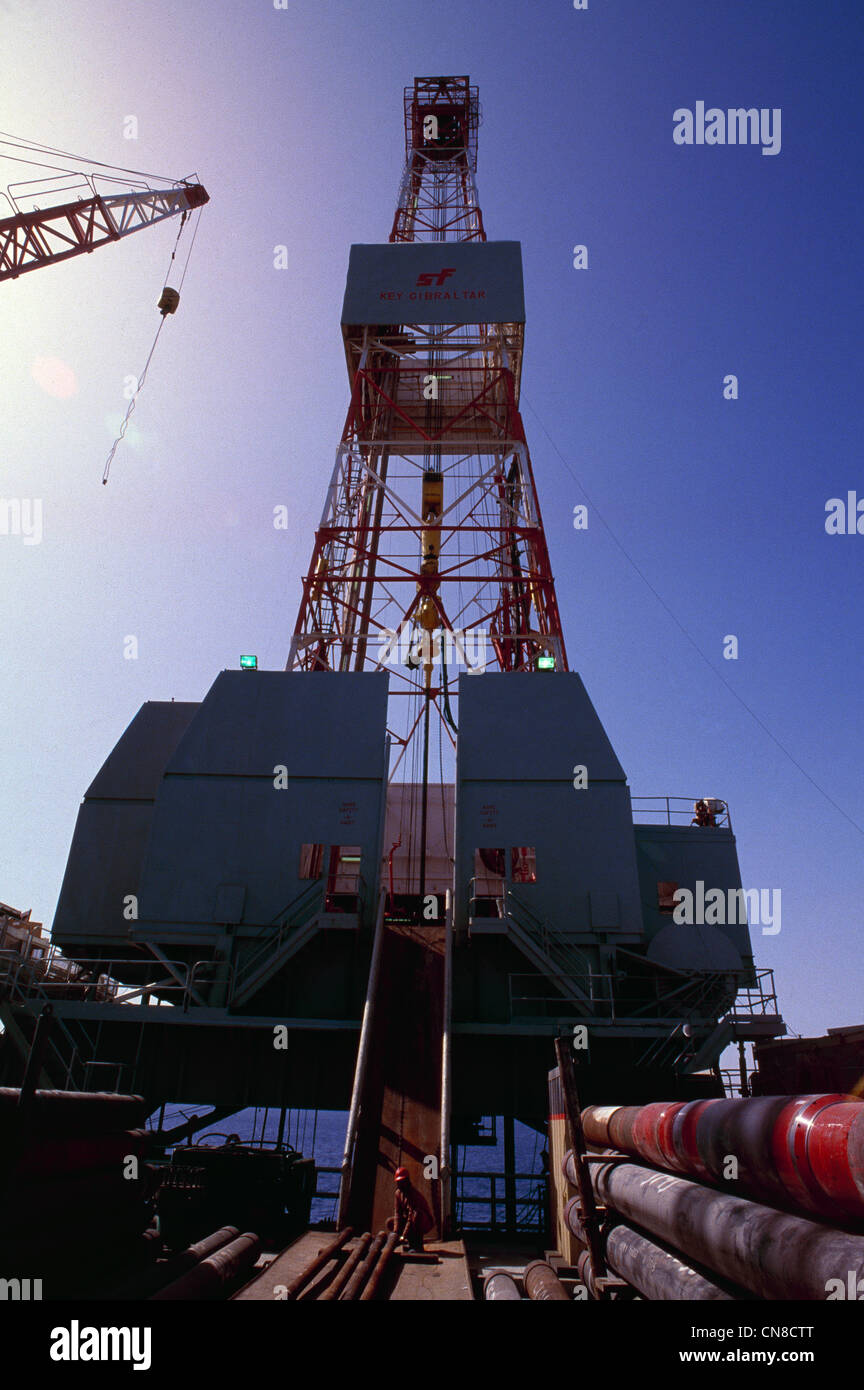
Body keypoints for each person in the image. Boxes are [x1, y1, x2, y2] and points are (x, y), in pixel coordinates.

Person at [387, 1166, 429, 1251]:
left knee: (416, 1216)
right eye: (398, 1182)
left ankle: (417, 1245)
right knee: (390, 1222)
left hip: (423, 1221)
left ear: (407, 1181)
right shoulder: (398, 1193)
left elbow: (411, 1218)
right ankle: (410, 1243)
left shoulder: (413, 1195)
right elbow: (397, 1213)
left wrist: (403, 1236)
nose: (400, 1184)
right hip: (410, 1220)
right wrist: (396, 1232)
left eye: (402, 1182)